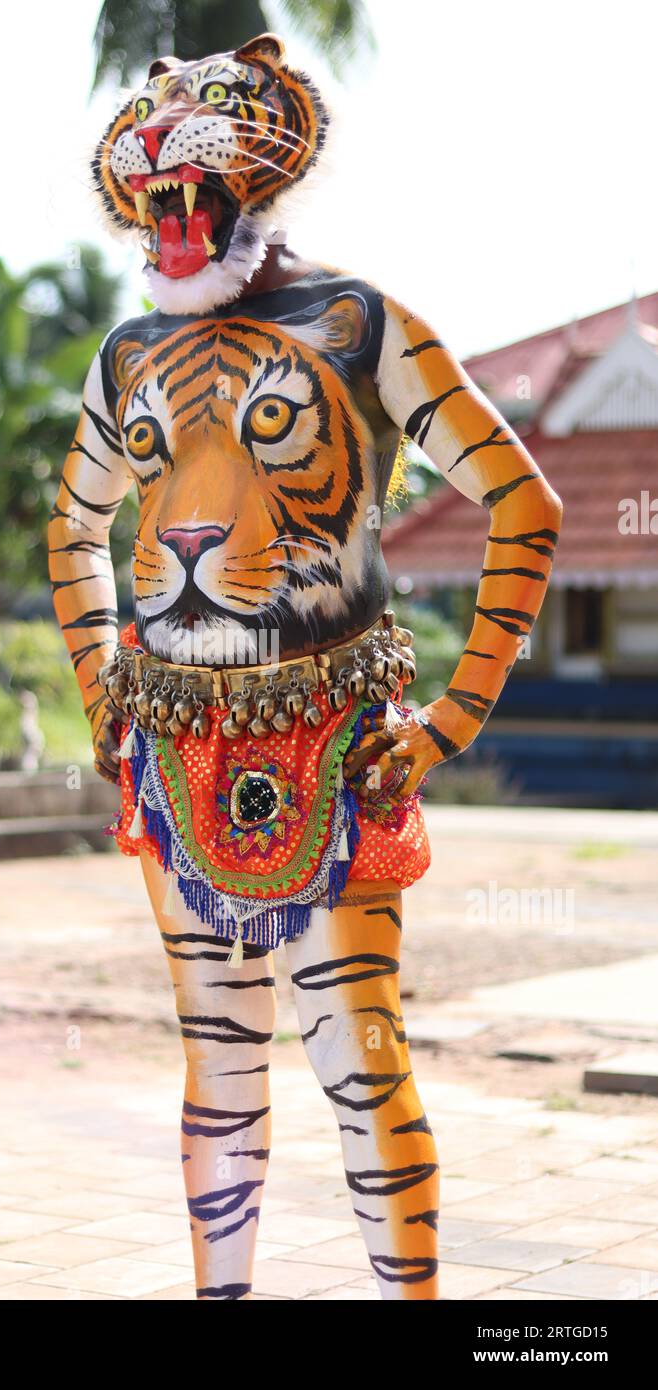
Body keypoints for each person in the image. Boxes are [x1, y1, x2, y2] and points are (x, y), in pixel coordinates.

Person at [49, 32, 562, 1300]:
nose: (169, 132)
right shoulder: (128, 353)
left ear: (264, 164)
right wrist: (98, 681)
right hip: (173, 751)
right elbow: (75, 523)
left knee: (357, 1062)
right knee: (214, 1065)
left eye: (208, 109)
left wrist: (445, 721)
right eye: (154, 117)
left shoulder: (356, 322)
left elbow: (525, 500)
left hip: (340, 743)